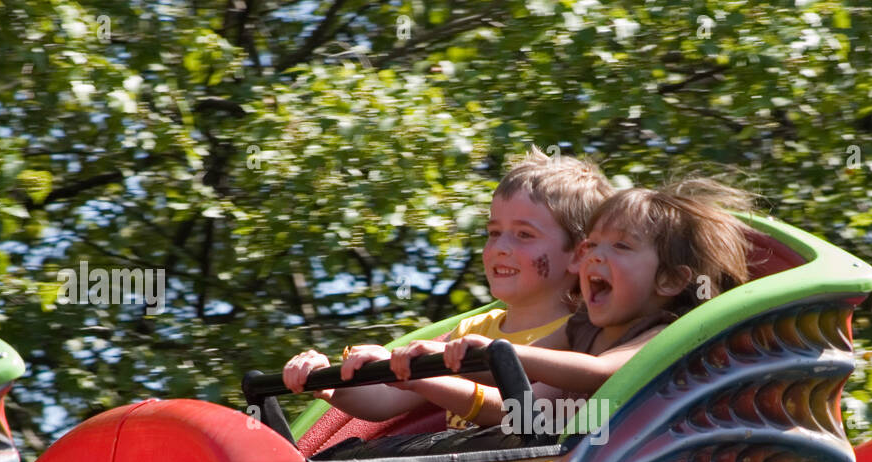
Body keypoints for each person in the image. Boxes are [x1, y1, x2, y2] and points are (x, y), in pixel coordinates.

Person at [379, 178, 757, 427]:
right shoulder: (582, 327)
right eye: (591, 244)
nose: (593, 256)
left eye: (620, 246)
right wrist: (432, 367)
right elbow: (517, 389)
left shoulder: (664, 334)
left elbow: (601, 372)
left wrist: (502, 352)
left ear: (671, 279)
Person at [282, 147, 612, 428]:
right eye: (494, 232)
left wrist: (421, 379)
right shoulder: (473, 330)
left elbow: (520, 412)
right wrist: (330, 384)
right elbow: (385, 401)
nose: (499, 247)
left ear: (578, 255)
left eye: (524, 235)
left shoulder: (580, 337)